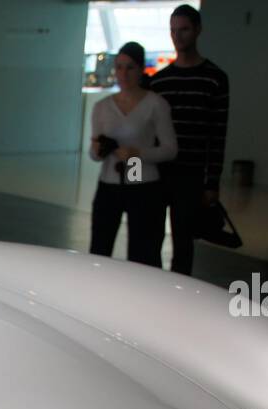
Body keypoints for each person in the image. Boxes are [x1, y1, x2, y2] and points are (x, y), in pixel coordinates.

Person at [150, 4, 229, 275]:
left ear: (197, 30)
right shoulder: (159, 81)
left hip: (190, 174)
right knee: (151, 239)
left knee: (183, 242)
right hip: (158, 172)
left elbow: (217, 133)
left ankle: (178, 296)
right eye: (173, 30)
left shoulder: (215, 79)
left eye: (183, 29)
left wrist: (212, 183)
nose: (177, 36)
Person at [88, 42, 178, 267]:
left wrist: (138, 153)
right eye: (119, 67)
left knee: (143, 249)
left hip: (141, 179)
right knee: (100, 245)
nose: (123, 74)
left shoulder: (155, 104)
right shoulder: (102, 107)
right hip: (110, 181)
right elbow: (94, 152)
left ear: (140, 69)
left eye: (129, 67)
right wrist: (98, 150)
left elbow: (170, 149)